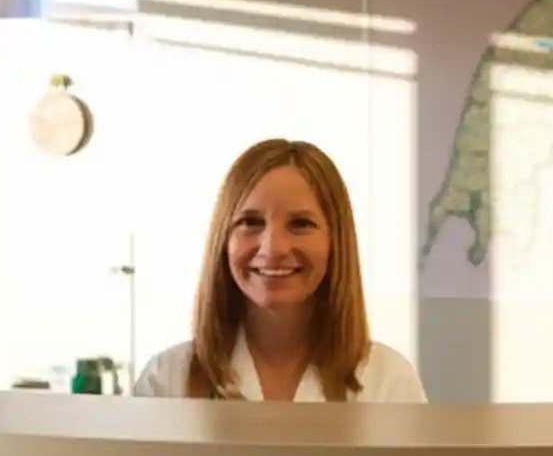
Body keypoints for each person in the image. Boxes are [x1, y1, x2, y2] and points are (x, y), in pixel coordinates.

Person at [132, 138, 427, 402]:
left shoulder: (389, 382)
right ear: (223, 239)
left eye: (300, 224)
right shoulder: (166, 381)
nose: (273, 248)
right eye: (251, 222)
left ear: (336, 241)